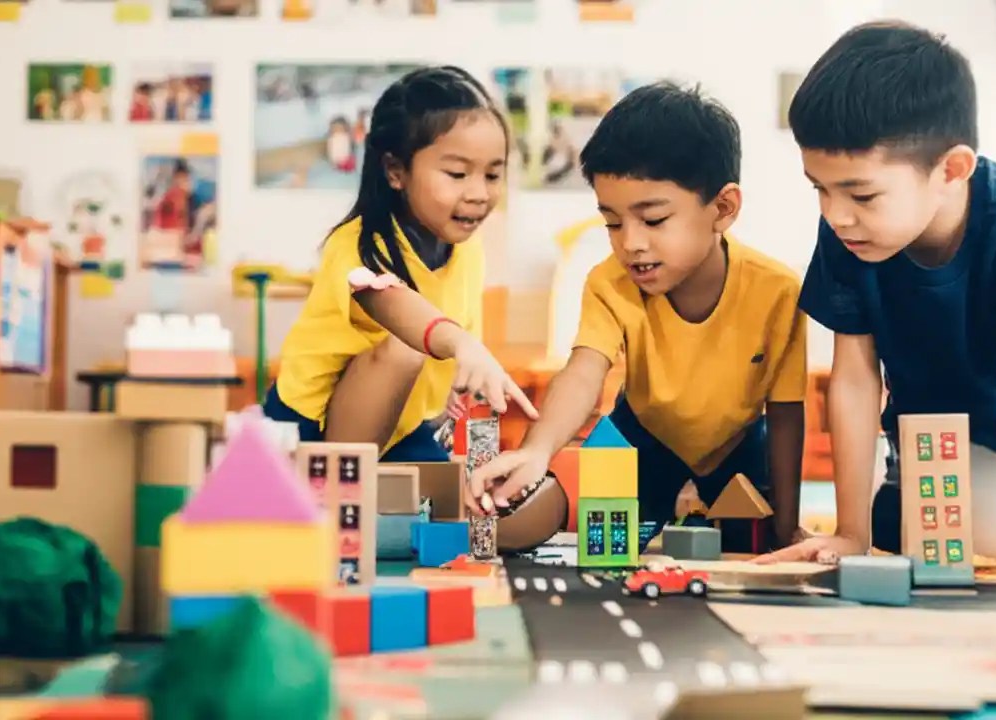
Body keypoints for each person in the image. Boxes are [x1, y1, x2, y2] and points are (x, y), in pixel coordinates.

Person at [760, 21, 996, 566]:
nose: (835, 214)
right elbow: (853, 376)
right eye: (819, 189)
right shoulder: (849, 233)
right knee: (899, 541)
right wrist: (851, 532)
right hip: (940, 437)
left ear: (952, 169)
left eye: (862, 194)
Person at [466, 82, 809, 552]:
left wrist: (787, 524)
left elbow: (787, 411)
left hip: (738, 444)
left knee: (756, 540)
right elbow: (584, 369)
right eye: (612, 222)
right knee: (595, 533)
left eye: (652, 220)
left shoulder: (778, 290)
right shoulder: (609, 282)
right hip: (645, 438)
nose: (630, 243)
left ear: (723, 209)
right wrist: (536, 450)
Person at [264, 65, 538, 462]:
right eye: (458, 174)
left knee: (478, 501)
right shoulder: (359, 244)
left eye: (493, 175)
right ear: (396, 172)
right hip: (310, 427)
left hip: (402, 427)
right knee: (405, 349)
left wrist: (452, 393)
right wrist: (463, 345)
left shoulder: (467, 253)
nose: (479, 193)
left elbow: (456, 342)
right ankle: (338, 497)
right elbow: (400, 309)